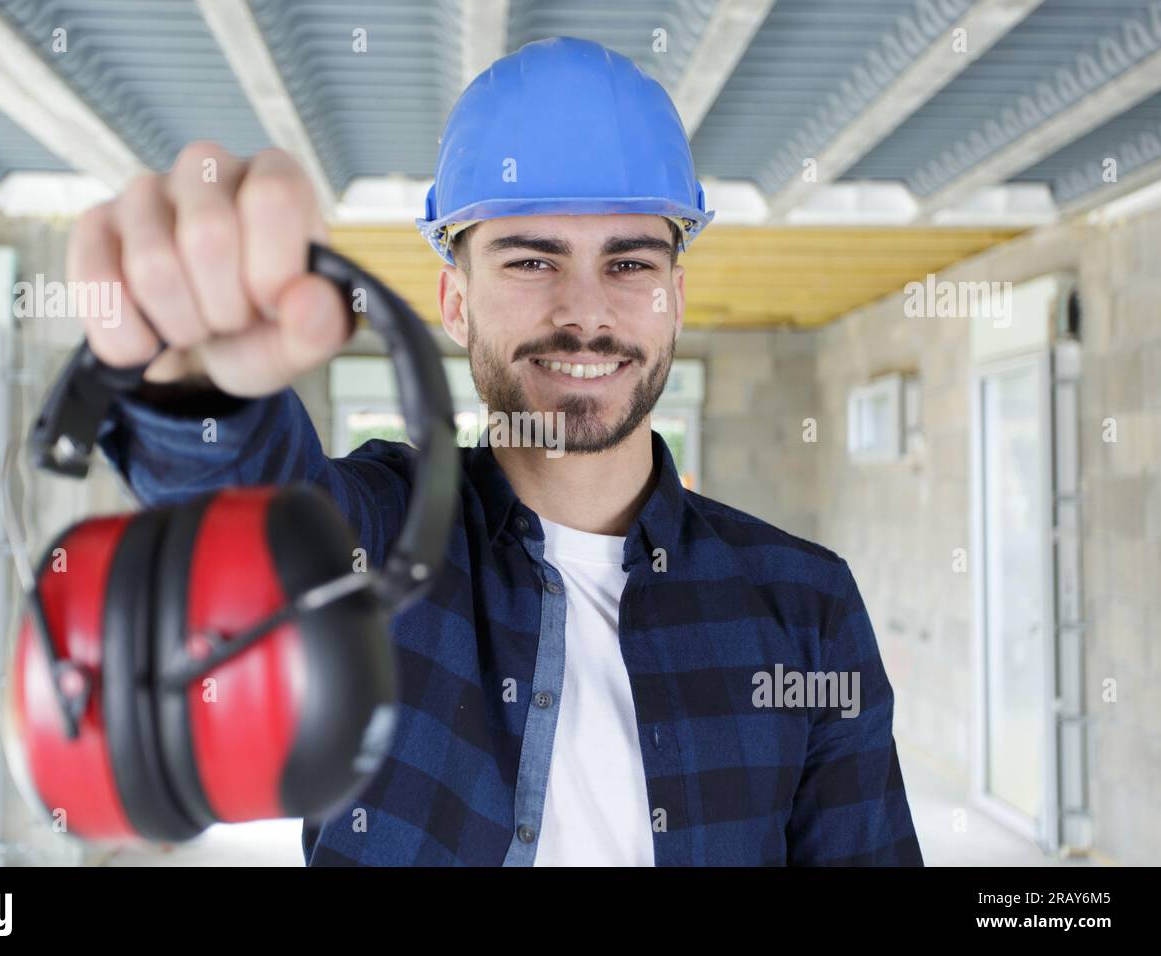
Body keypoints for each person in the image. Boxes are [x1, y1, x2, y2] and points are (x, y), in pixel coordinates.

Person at [79, 36, 923, 866]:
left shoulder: (807, 608)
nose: (585, 312)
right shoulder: (383, 542)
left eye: (629, 262)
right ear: (454, 302)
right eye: (530, 261)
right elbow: (251, 497)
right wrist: (194, 385)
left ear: (674, 297)